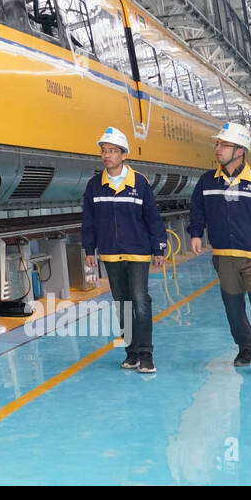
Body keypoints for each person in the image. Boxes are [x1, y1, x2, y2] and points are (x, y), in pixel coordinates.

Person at [187, 121, 251, 379]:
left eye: (223, 144)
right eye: (218, 144)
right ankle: (246, 346)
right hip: (224, 257)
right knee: (233, 309)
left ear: (240, 150)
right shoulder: (207, 182)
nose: (217, 148)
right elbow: (197, 210)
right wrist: (196, 233)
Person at [81, 126, 167, 373]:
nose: (107, 155)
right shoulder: (94, 185)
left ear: (124, 155)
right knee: (122, 303)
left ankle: (146, 353)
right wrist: (89, 249)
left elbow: (153, 218)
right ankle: (131, 352)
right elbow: (89, 220)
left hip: (138, 252)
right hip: (110, 252)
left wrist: (158, 248)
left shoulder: (139, 183)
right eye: (104, 151)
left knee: (140, 300)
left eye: (112, 151)